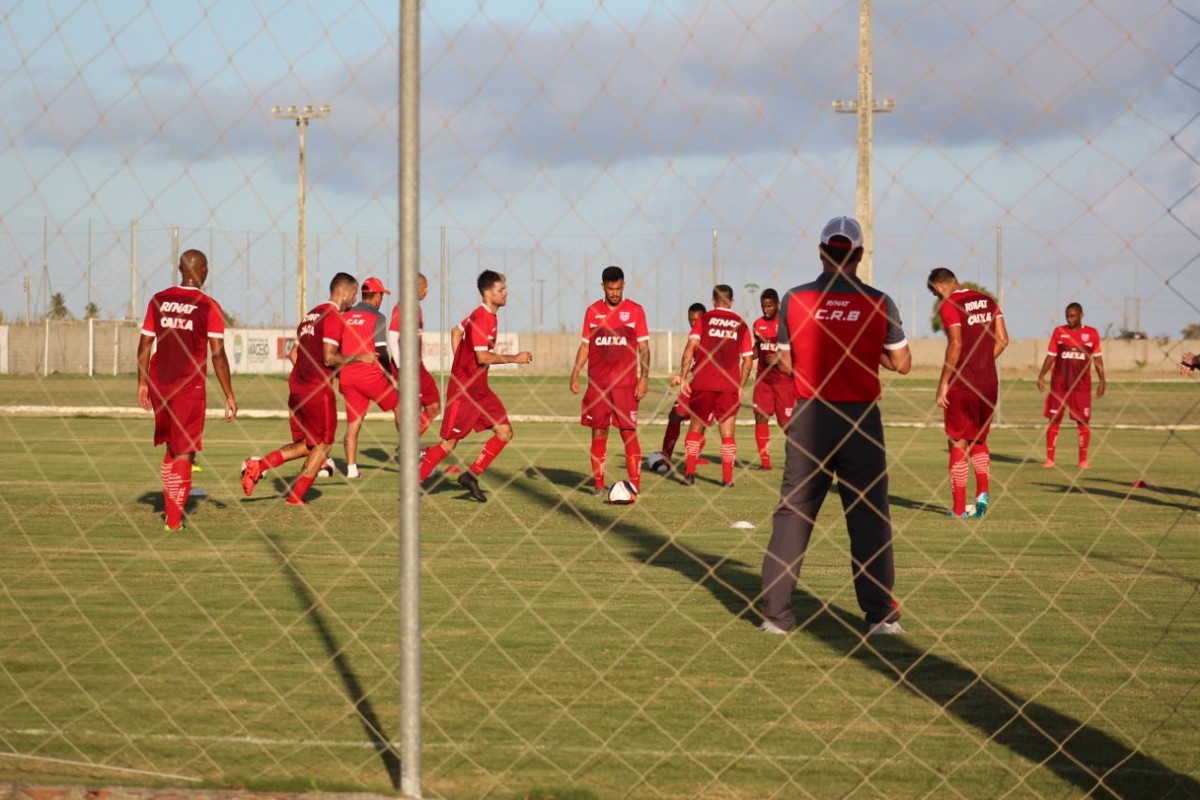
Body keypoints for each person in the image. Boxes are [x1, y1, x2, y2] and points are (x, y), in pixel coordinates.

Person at [759, 216, 911, 636]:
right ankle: (879, 614)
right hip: (861, 417)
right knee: (868, 514)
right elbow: (901, 362)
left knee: (794, 511)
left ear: (821, 251)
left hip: (811, 415)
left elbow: (787, 362)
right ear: (859, 254)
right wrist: (863, 353)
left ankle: (775, 615)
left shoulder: (794, 299)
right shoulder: (881, 302)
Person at [241, 273, 371, 505]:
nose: (354, 299)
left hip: (297, 387)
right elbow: (330, 358)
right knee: (325, 444)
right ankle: (295, 497)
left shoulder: (310, 316)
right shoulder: (333, 317)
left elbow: (294, 354)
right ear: (344, 292)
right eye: (353, 294)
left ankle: (258, 466)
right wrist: (360, 357)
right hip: (316, 389)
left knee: (308, 445)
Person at [136, 249, 238, 531]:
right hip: (188, 385)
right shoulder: (208, 305)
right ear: (203, 270)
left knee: (173, 445)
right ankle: (174, 521)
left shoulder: (159, 299)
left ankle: (171, 509)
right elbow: (217, 354)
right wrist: (229, 394)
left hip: (159, 380)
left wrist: (142, 382)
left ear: (181, 269)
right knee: (185, 451)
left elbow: (145, 345)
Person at [417, 269, 533, 502]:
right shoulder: (482, 317)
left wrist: (460, 363)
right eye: (501, 289)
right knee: (449, 444)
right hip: (464, 391)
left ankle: (470, 476)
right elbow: (482, 357)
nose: (506, 293)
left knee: (504, 432)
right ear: (487, 293)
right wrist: (514, 358)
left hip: (480, 389)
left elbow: (456, 332)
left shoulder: (482, 315)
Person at [928, 267, 1009, 518]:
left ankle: (959, 509)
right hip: (988, 382)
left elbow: (956, 343)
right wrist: (982, 361)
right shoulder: (988, 300)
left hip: (962, 384)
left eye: (934, 292)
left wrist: (944, 381)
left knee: (957, 441)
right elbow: (1003, 340)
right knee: (979, 439)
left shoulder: (950, 304)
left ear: (939, 286)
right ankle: (982, 495)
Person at [569, 265, 651, 496]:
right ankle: (598, 484)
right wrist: (575, 373)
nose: (614, 293)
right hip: (598, 385)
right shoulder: (592, 311)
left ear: (624, 285)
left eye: (618, 288)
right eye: (610, 288)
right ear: (602, 286)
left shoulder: (635, 311)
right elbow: (585, 346)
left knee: (628, 432)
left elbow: (644, 348)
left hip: (625, 385)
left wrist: (644, 377)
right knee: (598, 431)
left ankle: (635, 484)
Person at [672, 284, 753, 487]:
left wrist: (683, 377)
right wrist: (741, 385)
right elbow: (748, 361)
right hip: (729, 385)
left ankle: (689, 474)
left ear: (713, 301)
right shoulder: (741, 324)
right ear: (732, 302)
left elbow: (690, 349)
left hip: (703, 382)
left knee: (696, 427)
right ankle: (727, 480)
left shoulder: (704, 320)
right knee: (727, 434)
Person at [339, 276, 398, 479]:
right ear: (376, 296)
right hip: (369, 374)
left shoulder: (345, 315)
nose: (382, 299)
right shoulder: (378, 317)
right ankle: (411, 456)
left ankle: (351, 470)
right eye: (382, 295)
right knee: (401, 407)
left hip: (347, 375)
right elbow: (381, 350)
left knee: (353, 424)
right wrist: (391, 375)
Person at [1037, 302, 1105, 468]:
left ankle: (1082, 460)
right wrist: (1041, 375)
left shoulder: (1092, 334)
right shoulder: (1059, 332)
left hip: (1081, 387)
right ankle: (1050, 459)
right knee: (1054, 419)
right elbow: (1051, 356)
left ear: (1081, 315)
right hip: (1060, 385)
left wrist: (1102, 380)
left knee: (1082, 421)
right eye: (1067, 315)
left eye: (1073, 315)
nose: (1069, 318)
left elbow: (1097, 359)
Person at [387, 273, 441, 436]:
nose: (427, 290)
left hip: (417, 366)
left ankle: (407, 445)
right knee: (406, 408)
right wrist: (401, 367)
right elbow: (392, 336)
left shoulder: (416, 308)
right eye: (424, 287)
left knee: (433, 406)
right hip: (405, 366)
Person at [750, 288, 796, 470]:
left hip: (783, 380)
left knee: (785, 422)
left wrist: (779, 357)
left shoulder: (787, 325)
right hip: (763, 379)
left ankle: (798, 459)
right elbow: (757, 347)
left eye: (769, 306)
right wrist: (745, 354)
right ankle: (765, 463)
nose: (766, 310)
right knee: (760, 417)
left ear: (778, 305)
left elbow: (798, 348)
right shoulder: (757, 325)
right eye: (763, 306)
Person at [660, 302, 706, 466]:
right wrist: (683, 377)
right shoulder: (694, 337)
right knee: (675, 415)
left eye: (696, 320)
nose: (693, 323)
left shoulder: (710, 339)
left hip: (710, 389)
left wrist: (683, 377)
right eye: (690, 320)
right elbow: (696, 366)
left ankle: (693, 458)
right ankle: (666, 456)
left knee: (699, 424)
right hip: (693, 386)